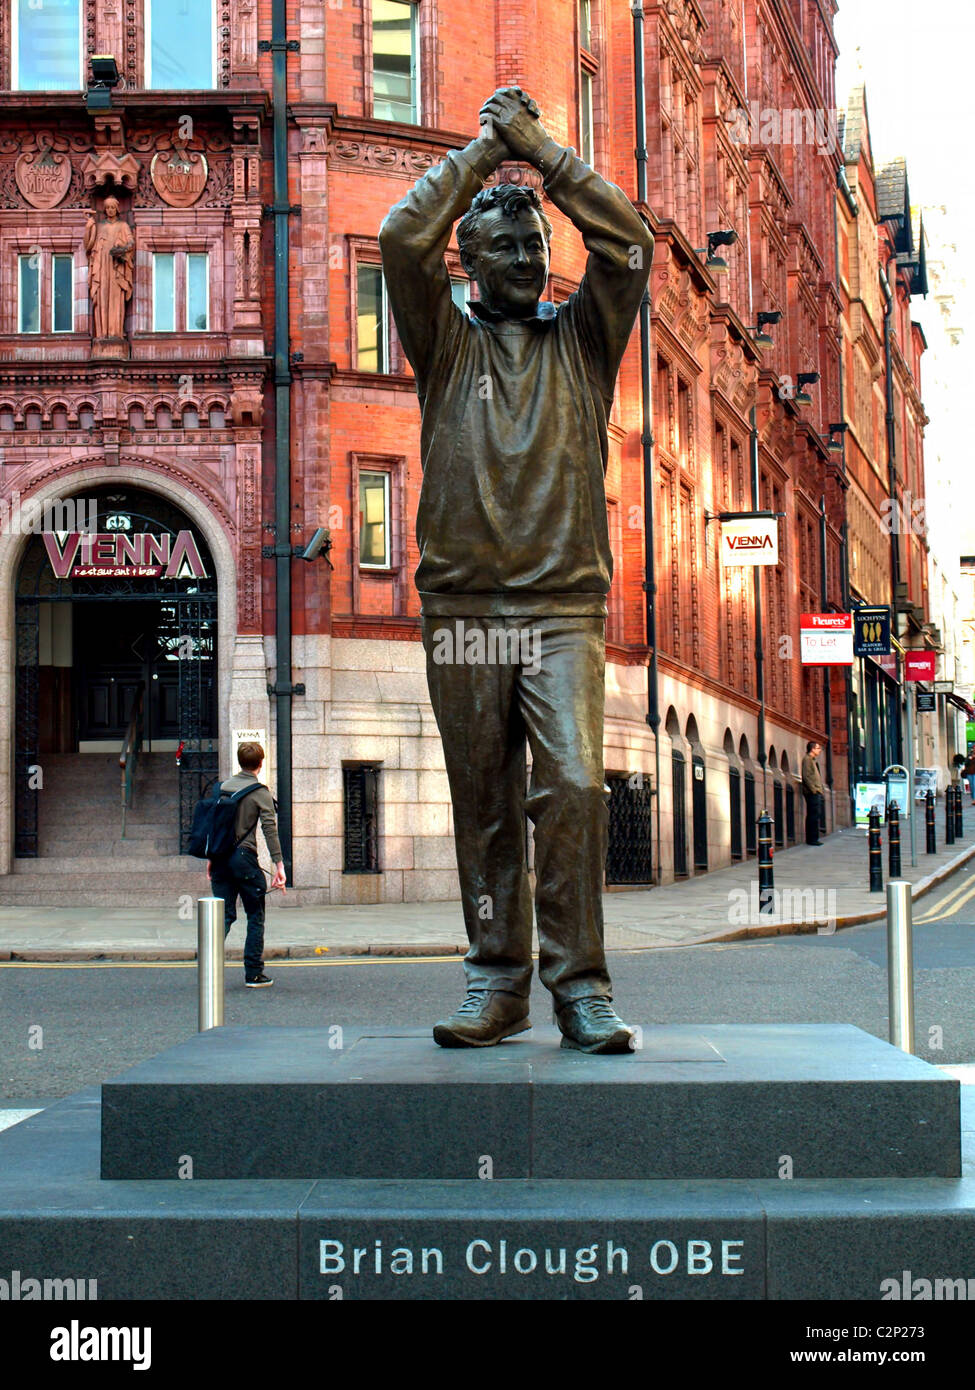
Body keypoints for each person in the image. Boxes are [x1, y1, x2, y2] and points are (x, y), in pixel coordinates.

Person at [379, 88, 652, 1052]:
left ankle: (580, 985)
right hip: (460, 605)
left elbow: (628, 245)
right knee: (483, 799)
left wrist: (542, 152)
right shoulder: (443, 344)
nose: (531, 262)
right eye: (510, 250)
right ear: (475, 263)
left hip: (562, 608)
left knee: (574, 785)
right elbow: (400, 238)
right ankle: (497, 982)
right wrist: (481, 151)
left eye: (538, 250)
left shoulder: (583, 343)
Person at [206, 742, 286, 988]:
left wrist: (211, 860)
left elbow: (213, 827)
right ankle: (253, 973)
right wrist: (279, 865)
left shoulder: (221, 788)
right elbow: (270, 830)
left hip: (220, 858)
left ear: (239, 762)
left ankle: (209, 971)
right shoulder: (260, 792)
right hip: (245, 860)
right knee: (255, 915)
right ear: (260, 764)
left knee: (224, 916)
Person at [801, 741, 825, 846]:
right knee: (813, 816)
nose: (819, 750)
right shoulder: (807, 760)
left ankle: (814, 838)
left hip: (815, 791)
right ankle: (812, 839)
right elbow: (806, 776)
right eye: (818, 748)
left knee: (815, 815)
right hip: (812, 792)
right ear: (812, 749)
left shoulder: (812, 760)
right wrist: (814, 790)